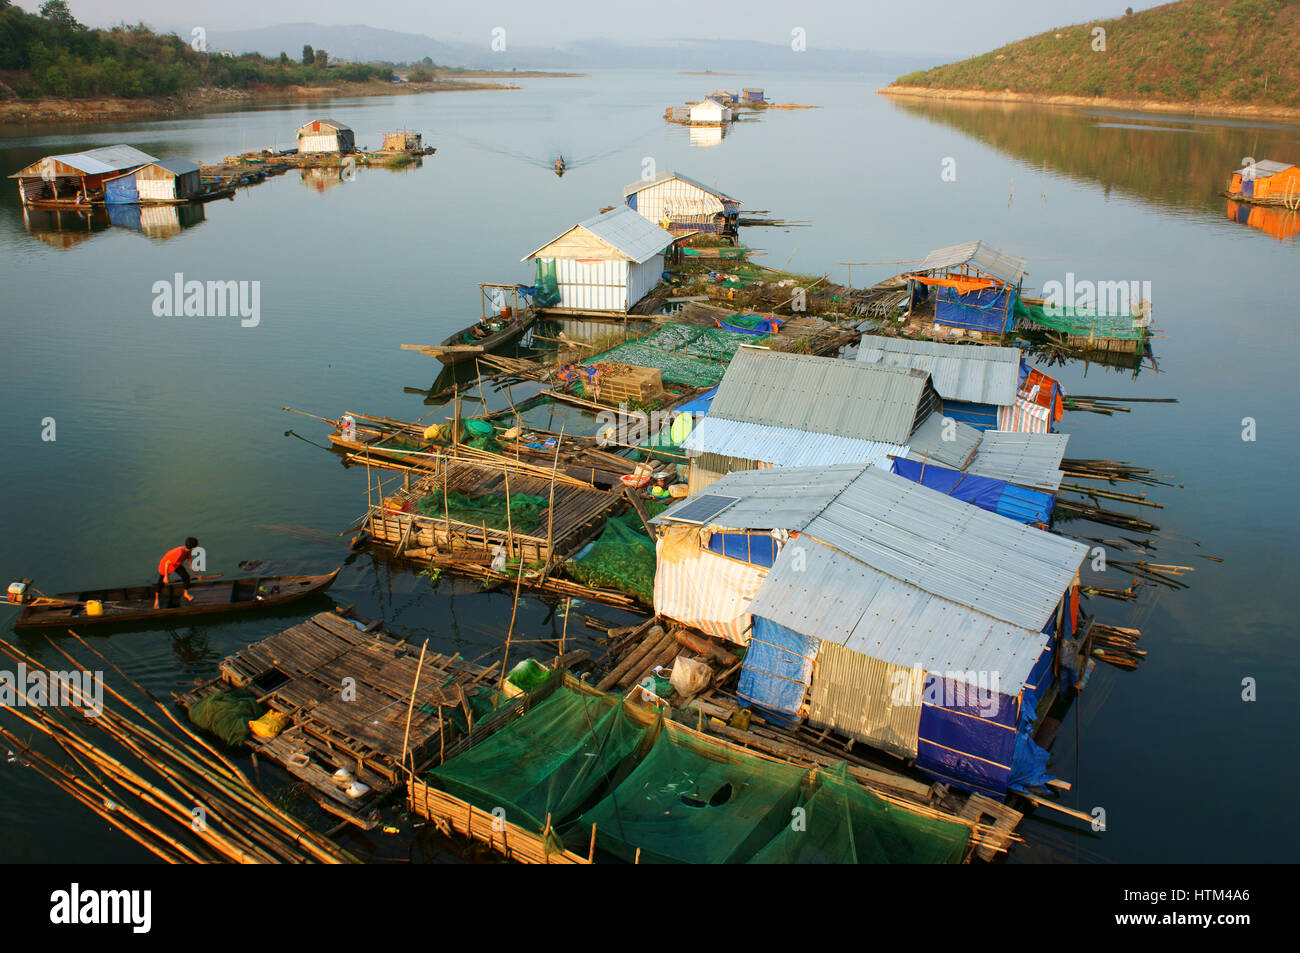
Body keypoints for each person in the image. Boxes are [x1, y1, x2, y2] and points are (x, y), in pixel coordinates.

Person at [154, 537, 199, 609]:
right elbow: (167, 563)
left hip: (176, 564)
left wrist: (197, 574)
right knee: (161, 583)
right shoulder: (179, 553)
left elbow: (191, 565)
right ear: (193, 548)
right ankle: (156, 600)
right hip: (165, 565)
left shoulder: (188, 551)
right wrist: (166, 576)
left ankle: (186, 594)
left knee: (186, 577)